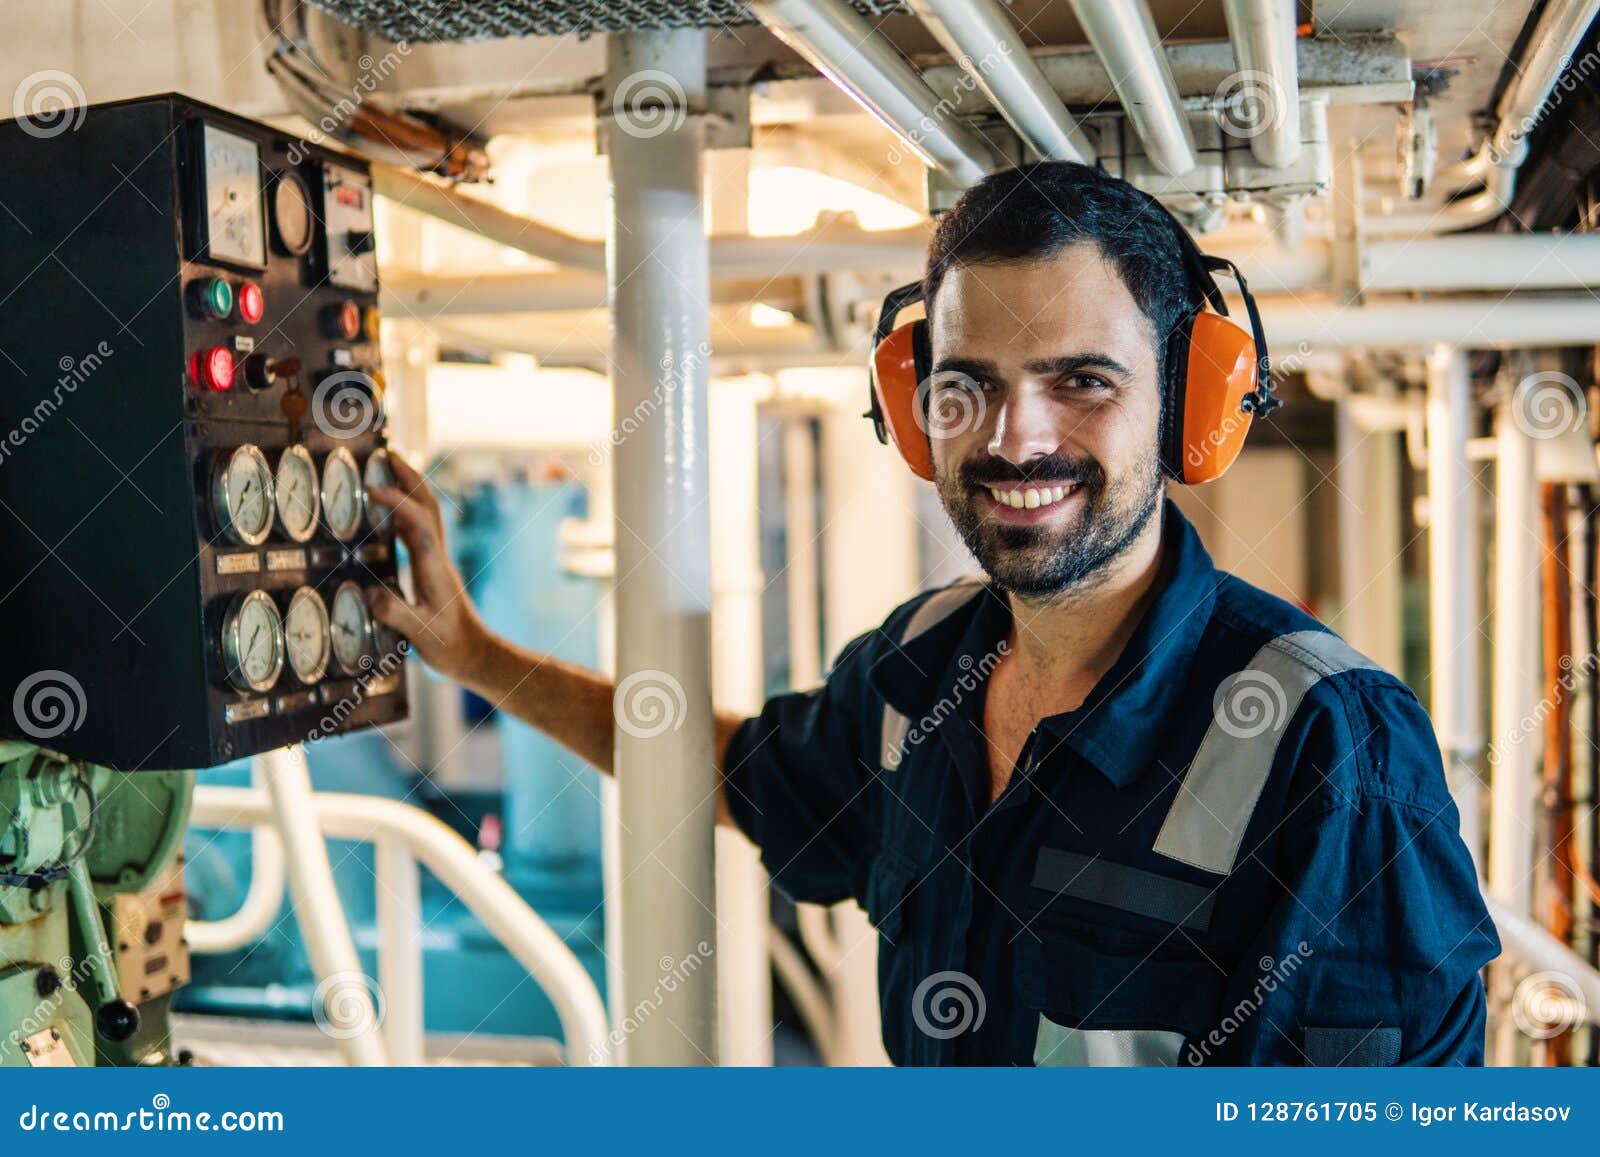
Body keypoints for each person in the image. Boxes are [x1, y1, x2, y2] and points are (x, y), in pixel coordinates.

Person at [367, 162, 1498, 1067]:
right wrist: (477, 653)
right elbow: (723, 770)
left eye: (1082, 382)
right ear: (918, 414)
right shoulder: (917, 667)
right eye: (969, 385)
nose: (1014, 438)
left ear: (1191, 405)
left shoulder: (1327, 741)